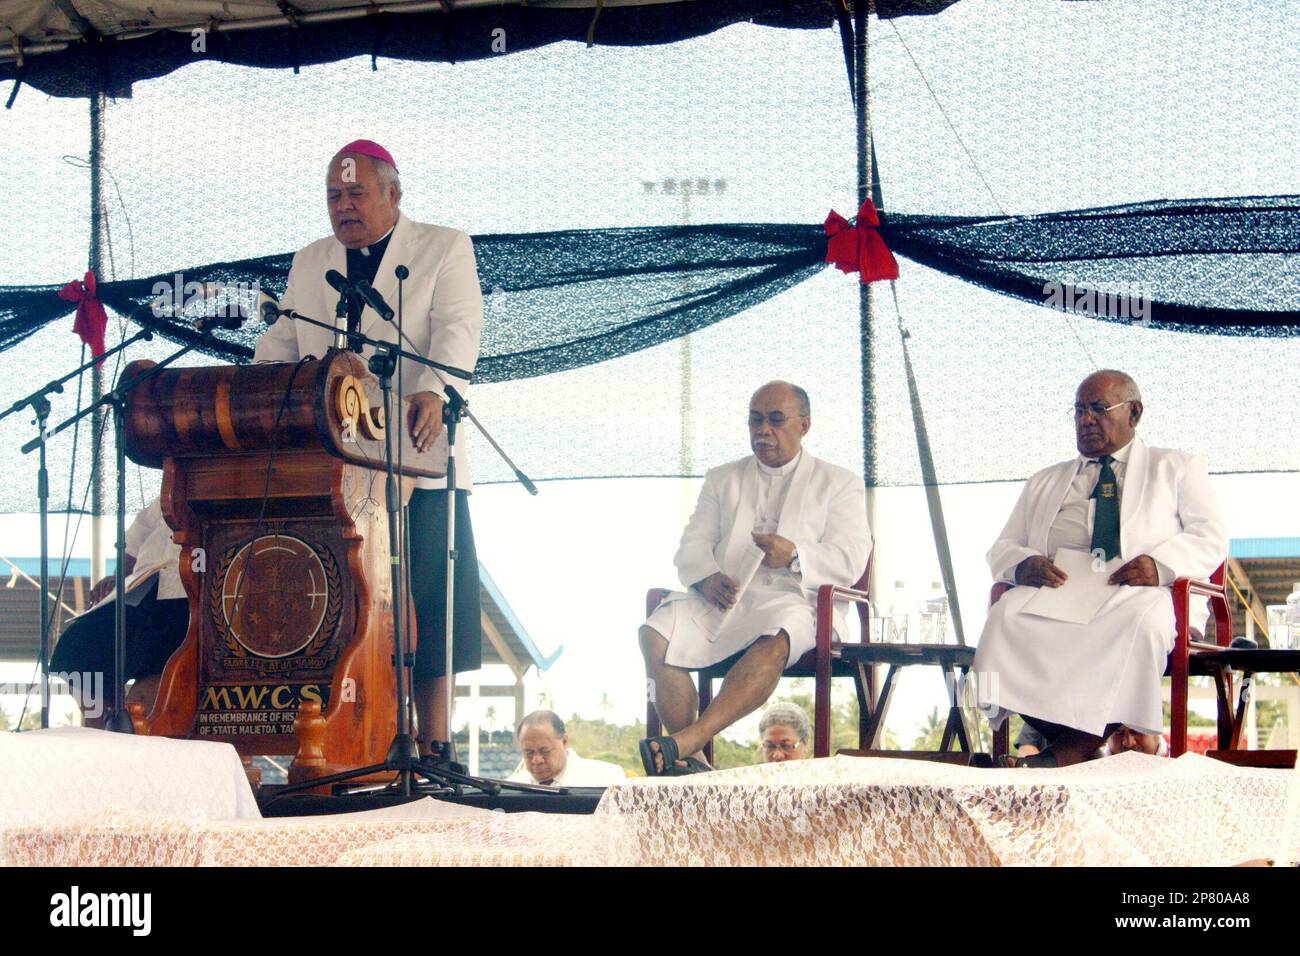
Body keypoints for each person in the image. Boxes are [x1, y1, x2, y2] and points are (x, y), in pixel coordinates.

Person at [253, 140, 485, 757]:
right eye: (334, 195)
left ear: (393, 195)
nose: (344, 206)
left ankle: (435, 747)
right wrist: (255, 382)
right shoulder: (311, 262)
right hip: (334, 468)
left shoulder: (443, 247)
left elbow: (460, 327)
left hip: (416, 451)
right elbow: (284, 338)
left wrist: (436, 390)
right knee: (343, 602)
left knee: (430, 601)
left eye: (357, 193)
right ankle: (350, 742)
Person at [973, 370, 1227, 767]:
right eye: (1078, 410)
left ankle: (1061, 756)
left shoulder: (1176, 467)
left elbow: (1210, 536)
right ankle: (1079, 746)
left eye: (1098, 409)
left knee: (1141, 624)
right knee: (1004, 617)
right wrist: (1022, 565)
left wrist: (1160, 565)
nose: (1085, 420)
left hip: (1139, 592)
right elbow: (1002, 547)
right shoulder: (1044, 480)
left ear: (1134, 413)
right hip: (1060, 590)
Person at [638, 381, 871, 775]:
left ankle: (686, 742)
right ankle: (692, 761)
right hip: (723, 598)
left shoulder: (839, 482)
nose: (763, 430)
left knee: (778, 633)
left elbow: (850, 558)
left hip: (797, 600)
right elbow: (691, 546)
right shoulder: (721, 479)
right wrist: (706, 577)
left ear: (804, 425)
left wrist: (795, 555)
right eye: (755, 420)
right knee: (653, 632)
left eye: (776, 420)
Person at [50, 497, 187, 723]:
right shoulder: (167, 497)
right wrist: (117, 578)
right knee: (77, 644)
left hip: (188, 595)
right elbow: (132, 545)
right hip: (143, 589)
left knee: (162, 659)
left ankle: (136, 725)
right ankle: (104, 725)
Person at [504, 710, 626, 786]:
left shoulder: (607, 778)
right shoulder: (510, 787)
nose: (536, 759)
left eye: (544, 751)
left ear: (564, 741)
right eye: (529, 752)